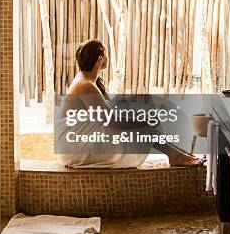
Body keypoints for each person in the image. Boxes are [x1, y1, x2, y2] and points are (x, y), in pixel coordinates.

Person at [57, 39, 205, 169]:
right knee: (147, 130)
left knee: (146, 127)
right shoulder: (85, 85)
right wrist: (144, 121)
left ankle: (179, 154)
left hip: (76, 145)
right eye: (106, 54)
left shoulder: (86, 81)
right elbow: (111, 121)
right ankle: (177, 156)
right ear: (101, 58)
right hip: (75, 148)